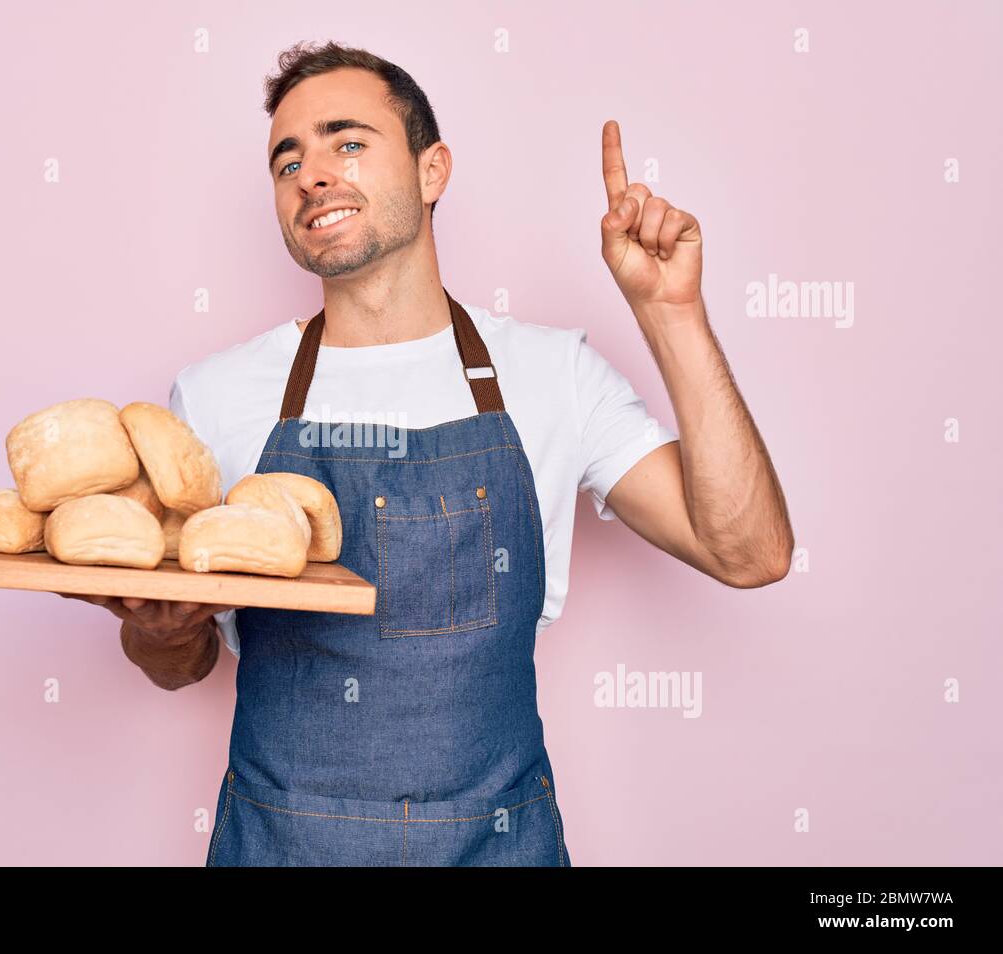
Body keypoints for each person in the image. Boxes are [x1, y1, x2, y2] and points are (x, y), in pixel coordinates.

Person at [62, 41, 793, 866]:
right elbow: (178, 666)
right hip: (278, 843)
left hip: (497, 844)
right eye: (286, 160)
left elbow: (750, 553)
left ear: (433, 168)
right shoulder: (217, 395)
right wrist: (160, 632)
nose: (311, 175)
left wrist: (673, 312)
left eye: (347, 142)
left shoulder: (551, 375)